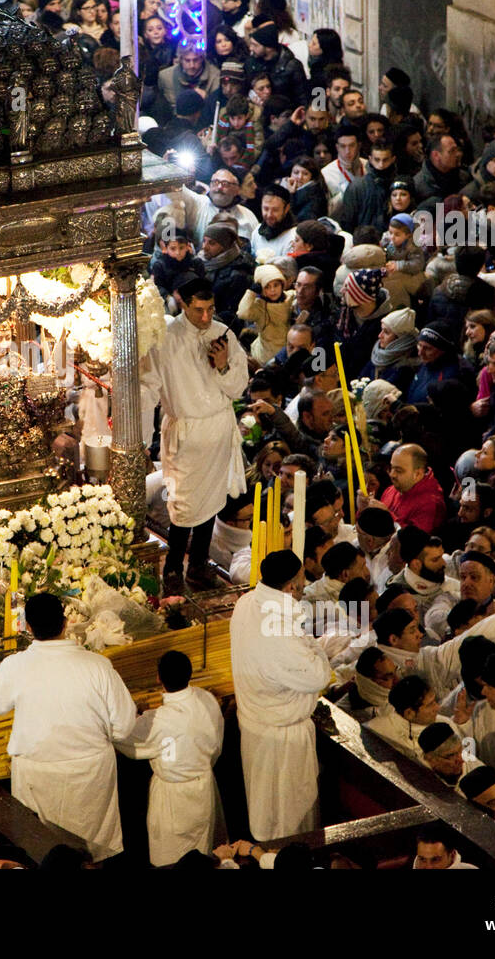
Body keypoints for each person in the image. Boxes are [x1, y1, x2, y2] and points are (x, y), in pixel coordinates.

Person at [0, 592, 136, 862]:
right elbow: (124, 725)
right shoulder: (98, 667)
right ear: (65, 622)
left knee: (42, 853)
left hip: (38, 776)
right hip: (90, 775)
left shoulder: (17, 666)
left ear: (30, 627)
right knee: (90, 855)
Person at [140, 277, 249, 592]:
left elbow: (238, 387)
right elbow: (148, 388)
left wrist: (223, 365)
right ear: (182, 302)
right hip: (185, 433)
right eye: (198, 310)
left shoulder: (222, 333)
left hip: (218, 430)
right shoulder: (165, 338)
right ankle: (173, 569)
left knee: (212, 503)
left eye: (210, 309)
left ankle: (198, 566)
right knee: (184, 506)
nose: (205, 318)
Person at [229, 549, 332, 841]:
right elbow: (318, 676)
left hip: (254, 726)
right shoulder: (281, 628)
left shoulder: (245, 603)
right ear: (291, 587)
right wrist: (318, 651)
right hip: (282, 738)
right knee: (288, 821)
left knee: (265, 809)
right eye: (301, 582)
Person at [115, 650, 224, 866]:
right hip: (203, 787)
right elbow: (216, 744)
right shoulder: (207, 699)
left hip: (172, 796)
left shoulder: (158, 720)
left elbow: (124, 736)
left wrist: (136, 714)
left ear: (158, 678)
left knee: (169, 859)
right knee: (200, 856)